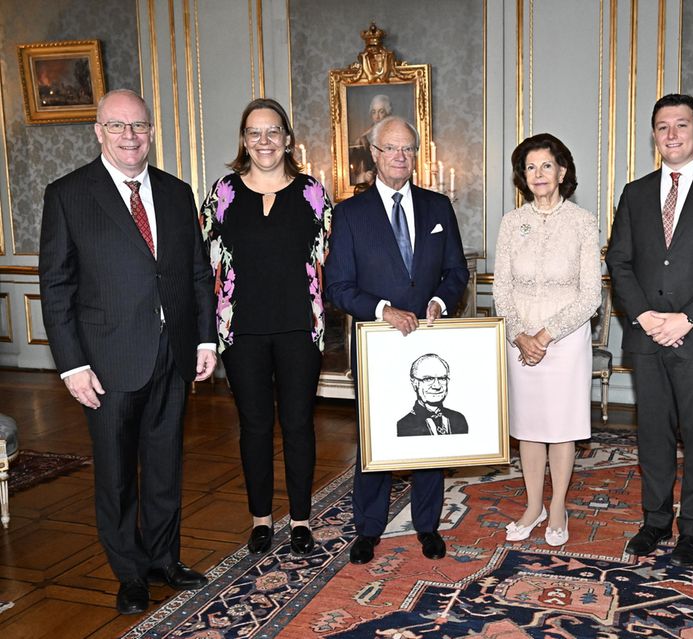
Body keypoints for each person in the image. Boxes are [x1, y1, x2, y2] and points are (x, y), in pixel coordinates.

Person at [38, 89, 217, 615]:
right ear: (99, 132)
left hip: (172, 353)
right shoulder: (68, 195)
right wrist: (72, 365)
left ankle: (164, 560)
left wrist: (204, 338)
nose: (129, 136)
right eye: (116, 126)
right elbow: (56, 285)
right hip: (106, 360)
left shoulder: (177, 192)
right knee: (116, 475)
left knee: (165, 467)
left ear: (151, 131)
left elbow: (197, 273)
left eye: (138, 125)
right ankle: (131, 574)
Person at [606, 94, 693, 566]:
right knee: (652, 436)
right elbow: (619, 262)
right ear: (654, 134)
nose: (672, 134)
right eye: (663, 126)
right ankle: (654, 521)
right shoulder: (636, 192)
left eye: (681, 124)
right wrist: (644, 316)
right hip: (646, 337)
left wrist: (687, 318)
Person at [325, 115, 469, 565]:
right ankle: (368, 529)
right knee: (377, 439)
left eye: (408, 148)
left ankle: (428, 524)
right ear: (375, 154)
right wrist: (383, 310)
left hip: (428, 338)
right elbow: (338, 286)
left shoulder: (438, 207)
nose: (400, 156)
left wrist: (440, 302)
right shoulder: (349, 214)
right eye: (391, 148)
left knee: (429, 435)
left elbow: (456, 272)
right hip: (377, 343)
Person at [199, 98, 332, 559]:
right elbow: (207, 265)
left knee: (298, 424)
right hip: (241, 331)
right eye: (254, 133)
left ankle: (300, 520)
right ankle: (260, 520)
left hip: (300, 328)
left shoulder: (314, 193)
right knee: (254, 426)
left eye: (273, 131)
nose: (264, 141)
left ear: (288, 139)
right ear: (244, 140)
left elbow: (325, 259)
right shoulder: (222, 193)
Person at [492, 133, 600, 547]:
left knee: (561, 427)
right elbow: (501, 290)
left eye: (546, 166)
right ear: (523, 175)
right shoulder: (510, 223)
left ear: (562, 171)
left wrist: (545, 334)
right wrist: (519, 334)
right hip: (519, 341)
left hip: (565, 340)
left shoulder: (582, 222)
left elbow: (591, 295)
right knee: (529, 427)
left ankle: (558, 507)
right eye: (530, 167)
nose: (538, 174)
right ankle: (533, 504)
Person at [397, 354, 469, 437]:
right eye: (428, 379)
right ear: (414, 383)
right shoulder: (404, 425)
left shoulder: (459, 419)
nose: (437, 386)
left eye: (442, 378)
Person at [350, 94, 392, 186]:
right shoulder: (363, 140)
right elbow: (354, 171)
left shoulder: (396, 137)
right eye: (374, 112)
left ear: (388, 114)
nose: (377, 116)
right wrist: (364, 176)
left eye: (381, 112)